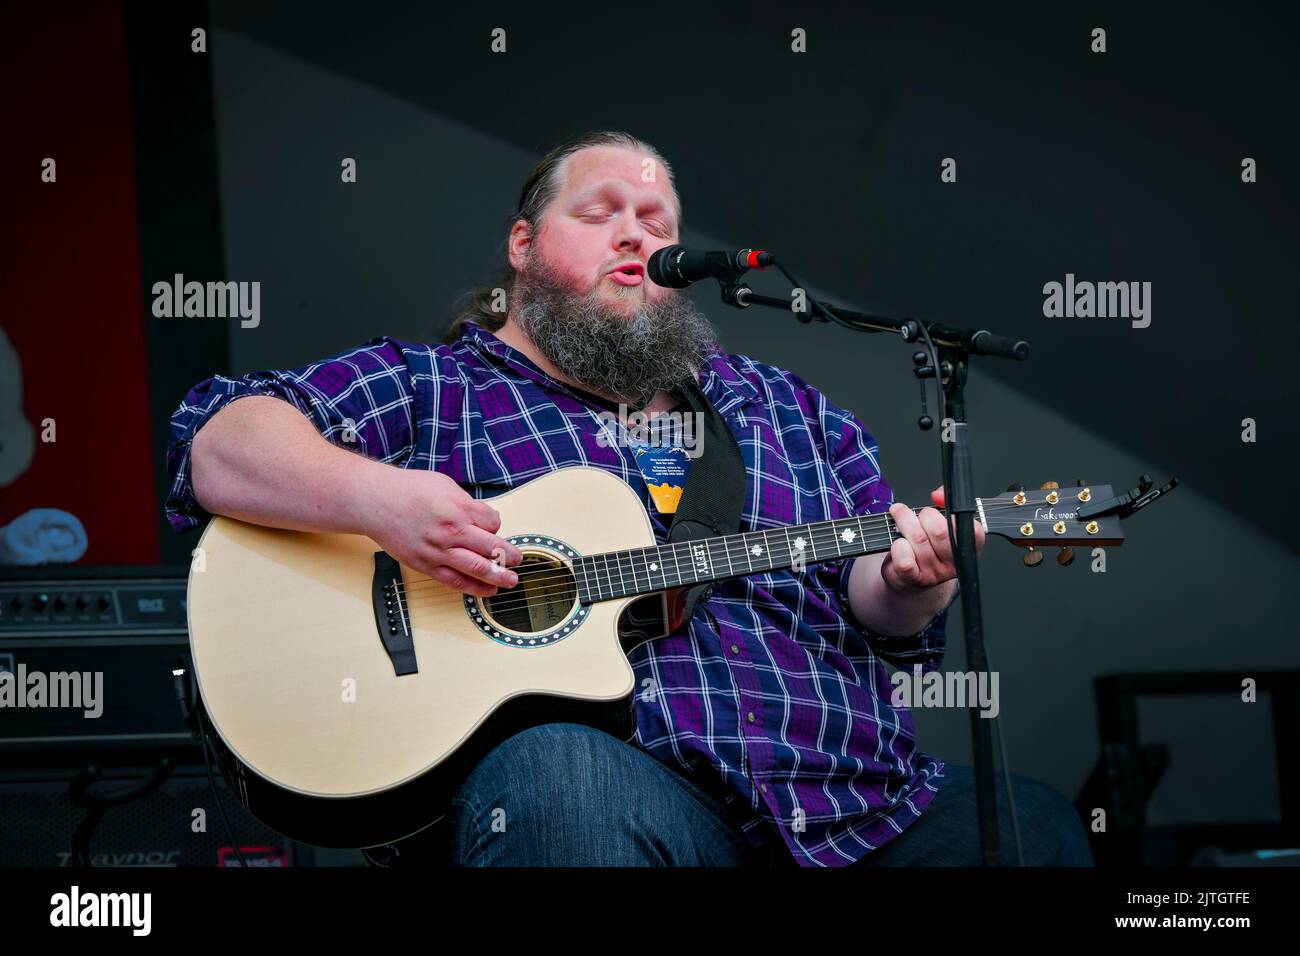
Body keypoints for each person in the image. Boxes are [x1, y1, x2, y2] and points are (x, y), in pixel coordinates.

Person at [165, 130, 1092, 867]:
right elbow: (215, 441)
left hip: (851, 808)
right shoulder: (432, 387)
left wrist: (918, 580)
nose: (637, 234)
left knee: (1031, 826)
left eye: (656, 219)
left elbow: (875, 603)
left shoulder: (784, 408)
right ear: (522, 246)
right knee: (561, 775)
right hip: (623, 792)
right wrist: (379, 500)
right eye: (601, 211)